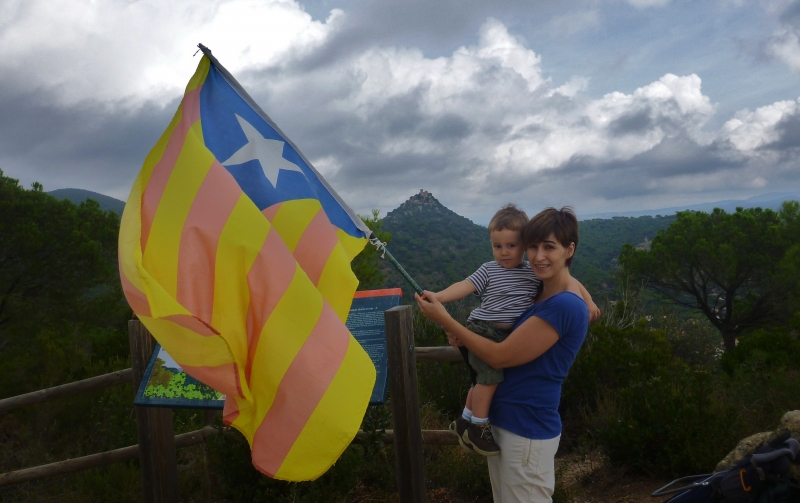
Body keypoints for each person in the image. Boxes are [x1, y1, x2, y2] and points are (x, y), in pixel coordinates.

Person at [416, 207, 589, 503]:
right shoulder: (540, 292)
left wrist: (446, 319)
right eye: (533, 246)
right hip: (505, 422)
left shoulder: (563, 305)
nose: (537, 256)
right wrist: (464, 340)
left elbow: (498, 357)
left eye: (549, 247)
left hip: (526, 428)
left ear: (569, 249)